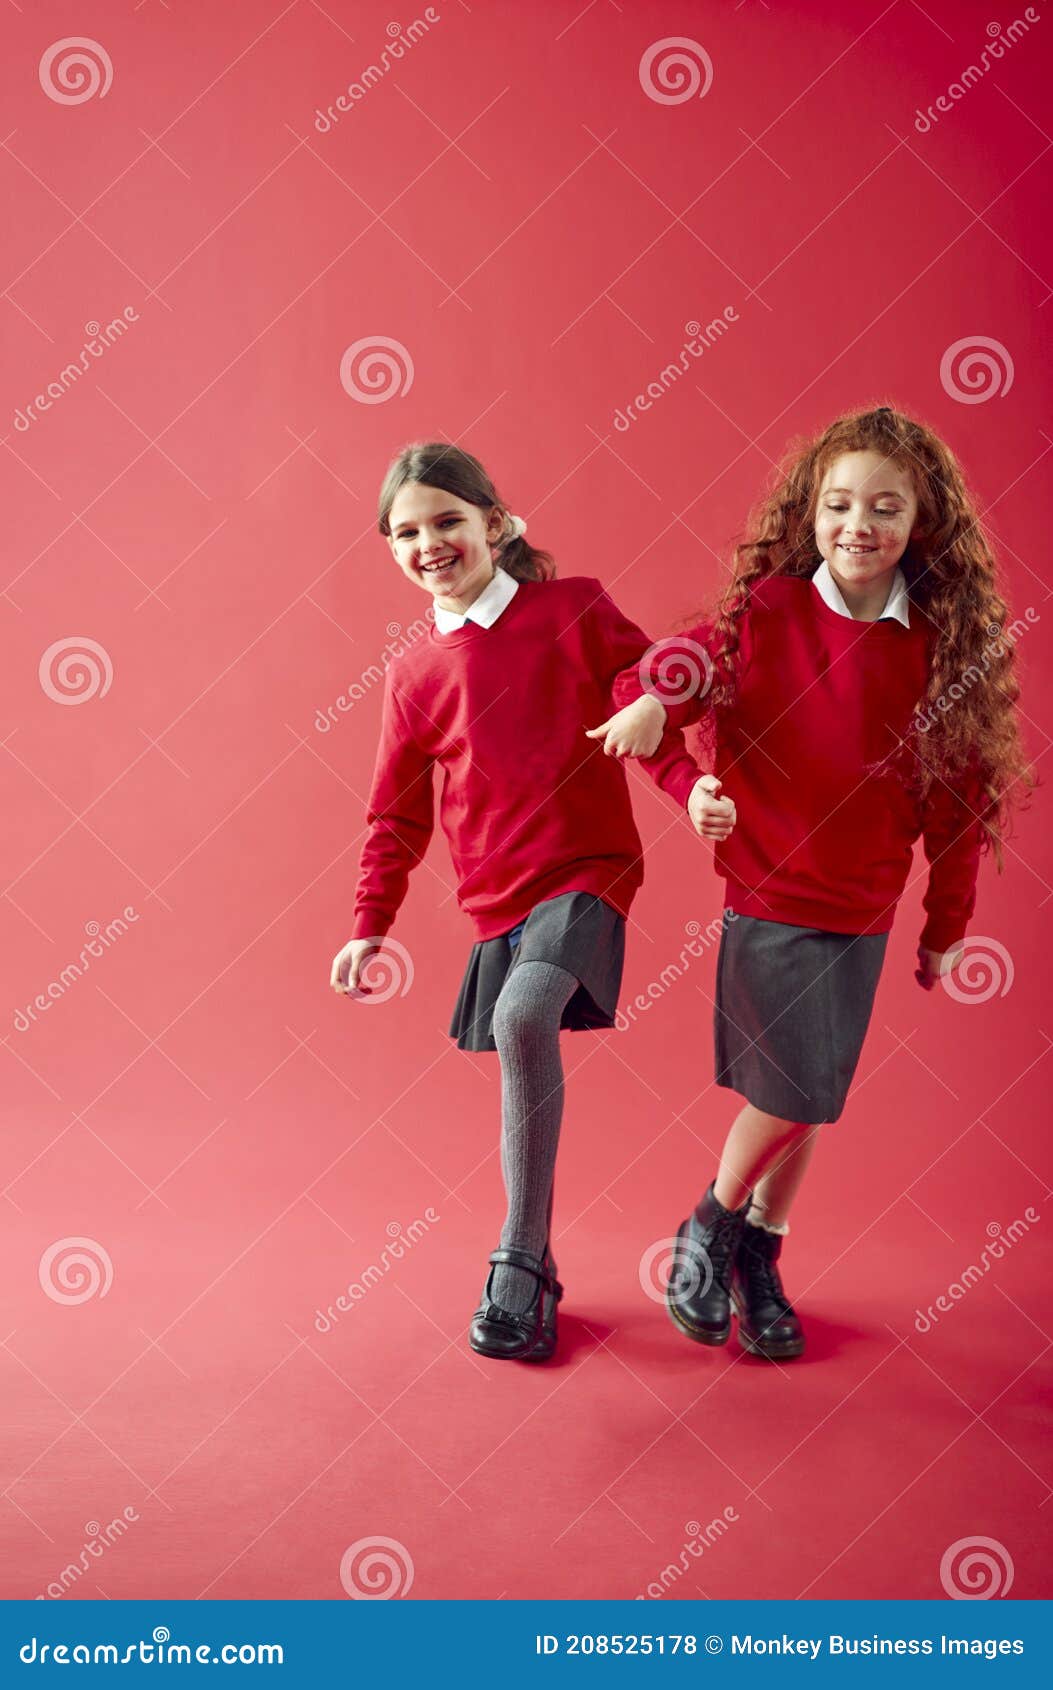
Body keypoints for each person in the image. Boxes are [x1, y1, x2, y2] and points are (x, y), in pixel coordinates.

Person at [587, 405, 1033, 1360]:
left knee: (814, 1092)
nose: (857, 525)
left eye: (883, 507)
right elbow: (655, 683)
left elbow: (957, 811)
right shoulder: (768, 613)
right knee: (794, 1090)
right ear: (810, 512)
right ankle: (709, 1224)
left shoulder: (938, 651)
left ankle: (760, 1258)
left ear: (921, 523)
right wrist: (672, 743)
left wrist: (942, 926)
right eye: (837, 504)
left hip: (863, 905)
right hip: (770, 892)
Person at [331, 441, 712, 1362]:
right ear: (390, 547)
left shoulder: (570, 607)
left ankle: (513, 1258)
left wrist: (686, 786)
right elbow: (393, 814)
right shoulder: (413, 673)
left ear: (495, 526)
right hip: (496, 897)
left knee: (523, 1016)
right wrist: (368, 926)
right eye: (408, 531)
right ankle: (535, 1260)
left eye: (449, 522)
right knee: (515, 1033)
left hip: (585, 868)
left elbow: (644, 700)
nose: (431, 543)